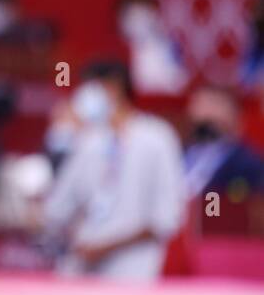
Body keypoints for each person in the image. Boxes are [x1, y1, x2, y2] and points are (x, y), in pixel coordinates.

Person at [39, 60, 185, 283]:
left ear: (113, 88)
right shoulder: (88, 141)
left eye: (90, 90)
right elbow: (58, 210)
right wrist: (62, 140)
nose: (83, 99)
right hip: (82, 267)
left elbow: (166, 218)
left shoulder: (157, 138)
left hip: (134, 268)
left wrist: (105, 247)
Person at [182, 84, 264, 199]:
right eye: (199, 104)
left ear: (234, 115)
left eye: (213, 105)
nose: (205, 112)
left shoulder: (248, 164)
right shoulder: (180, 153)